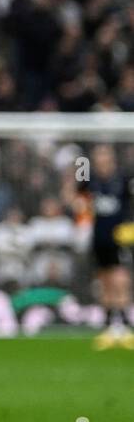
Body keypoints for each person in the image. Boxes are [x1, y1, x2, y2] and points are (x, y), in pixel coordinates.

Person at [84, 145, 134, 350]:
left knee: (120, 280)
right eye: (98, 157)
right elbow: (77, 192)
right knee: (104, 282)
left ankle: (124, 326)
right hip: (98, 239)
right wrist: (82, 160)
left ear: (112, 159)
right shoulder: (91, 180)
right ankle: (108, 328)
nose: (102, 161)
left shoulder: (122, 180)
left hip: (119, 239)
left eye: (105, 156)